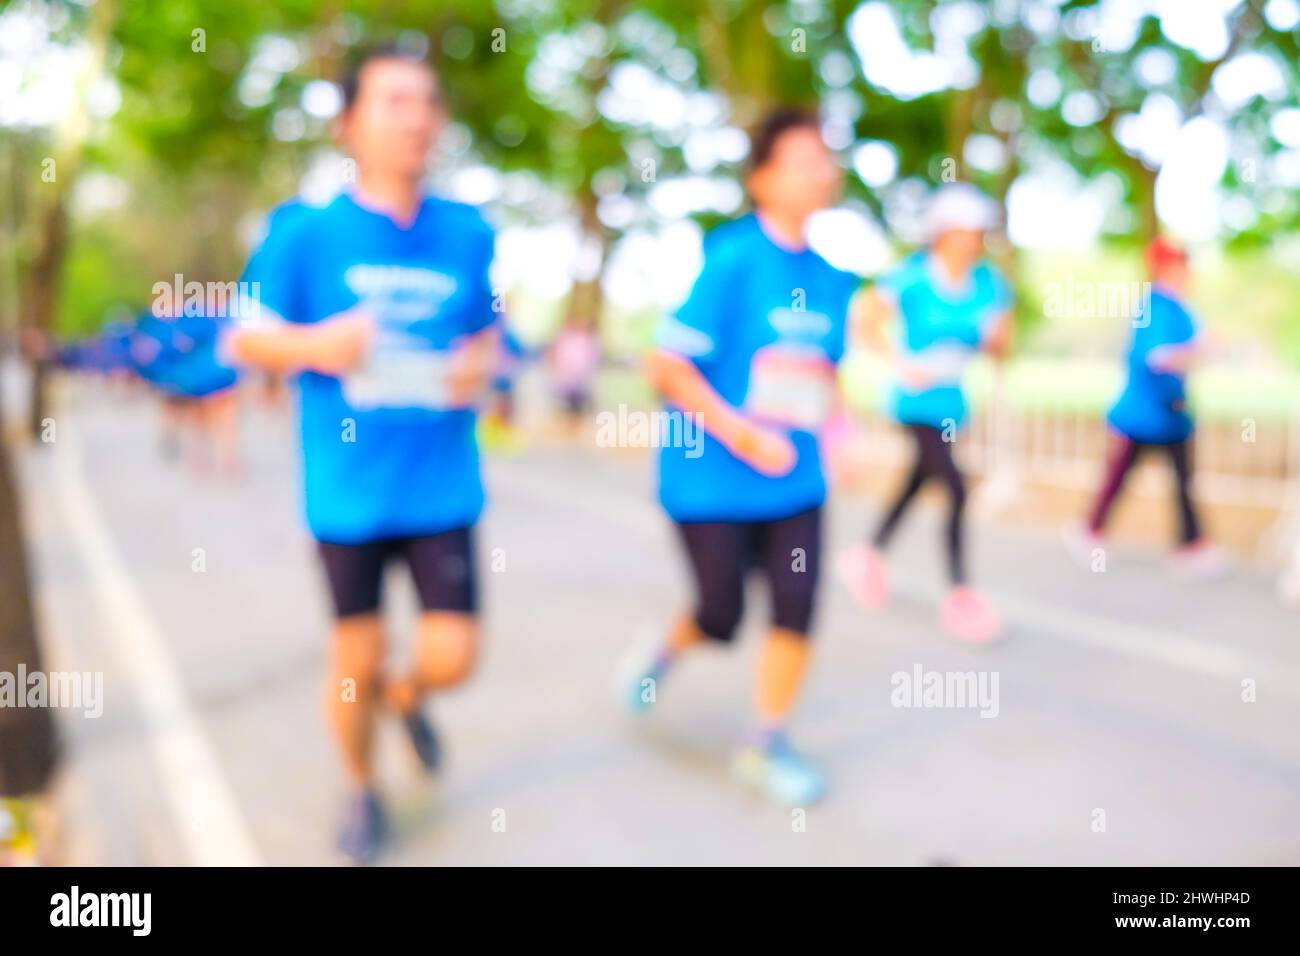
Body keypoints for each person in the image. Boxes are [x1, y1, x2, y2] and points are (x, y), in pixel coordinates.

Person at [227, 44, 498, 863]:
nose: (417, 118)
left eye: (427, 102)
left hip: (442, 486)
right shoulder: (304, 233)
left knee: (453, 658)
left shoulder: (468, 231)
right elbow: (244, 338)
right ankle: (360, 785)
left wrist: (478, 367)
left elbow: (488, 335)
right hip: (347, 492)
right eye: (394, 102)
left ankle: (408, 696)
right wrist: (318, 343)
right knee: (353, 659)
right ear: (349, 125)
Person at [617, 109, 861, 806]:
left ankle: (763, 743)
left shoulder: (832, 278)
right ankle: (665, 648)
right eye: (803, 159)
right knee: (720, 617)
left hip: (795, 482)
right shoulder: (730, 259)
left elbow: (821, 374)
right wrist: (742, 433)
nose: (821, 170)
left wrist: (841, 437)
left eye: (825, 158)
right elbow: (666, 365)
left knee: (796, 605)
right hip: (711, 482)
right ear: (763, 179)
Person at [836, 183, 1012, 644]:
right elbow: (864, 319)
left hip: (953, 403)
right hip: (914, 402)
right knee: (954, 487)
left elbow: (1000, 345)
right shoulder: (912, 277)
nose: (975, 239)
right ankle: (961, 593)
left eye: (979, 231)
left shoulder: (989, 283)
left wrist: (995, 341)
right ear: (944, 232)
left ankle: (868, 554)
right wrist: (900, 361)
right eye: (967, 230)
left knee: (918, 481)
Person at [1065, 236, 1224, 577]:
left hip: (1172, 414)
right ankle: (1090, 530)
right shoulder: (1153, 307)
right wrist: (1200, 349)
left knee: (1182, 481)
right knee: (1119, 478)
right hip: (1141, 416)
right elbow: (1155, 357)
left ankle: (1191, 544)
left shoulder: (1179, 307)